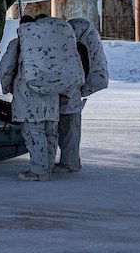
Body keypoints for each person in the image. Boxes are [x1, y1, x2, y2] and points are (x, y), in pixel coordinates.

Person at [0, 13, 83, 181]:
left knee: (34, 133)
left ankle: (38, 170)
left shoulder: (18, 44)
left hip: (28, 96)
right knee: (51, 132)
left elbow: (6, 67)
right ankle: (48, 167)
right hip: (51, 95)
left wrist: (7, 86)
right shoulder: (52, 45)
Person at [56, 16, 109, 172]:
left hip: (73, 88)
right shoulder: (88, 42)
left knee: (69, 126)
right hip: (81, 85)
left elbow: (78, 70)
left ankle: (70, 161)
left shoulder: (79, 46)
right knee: (71, 126)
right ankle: (71, 160)